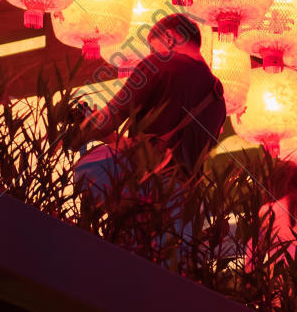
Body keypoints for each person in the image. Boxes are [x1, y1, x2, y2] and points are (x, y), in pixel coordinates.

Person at [72, 13, 226, 197]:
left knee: (87, 169)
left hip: (146, 190)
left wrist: (84, 127)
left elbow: (109, 119)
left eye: (153, 49)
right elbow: (164, 147)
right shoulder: (218, 99)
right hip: (186, 199)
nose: (152, 54)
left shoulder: (160, 63)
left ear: (170, 38)